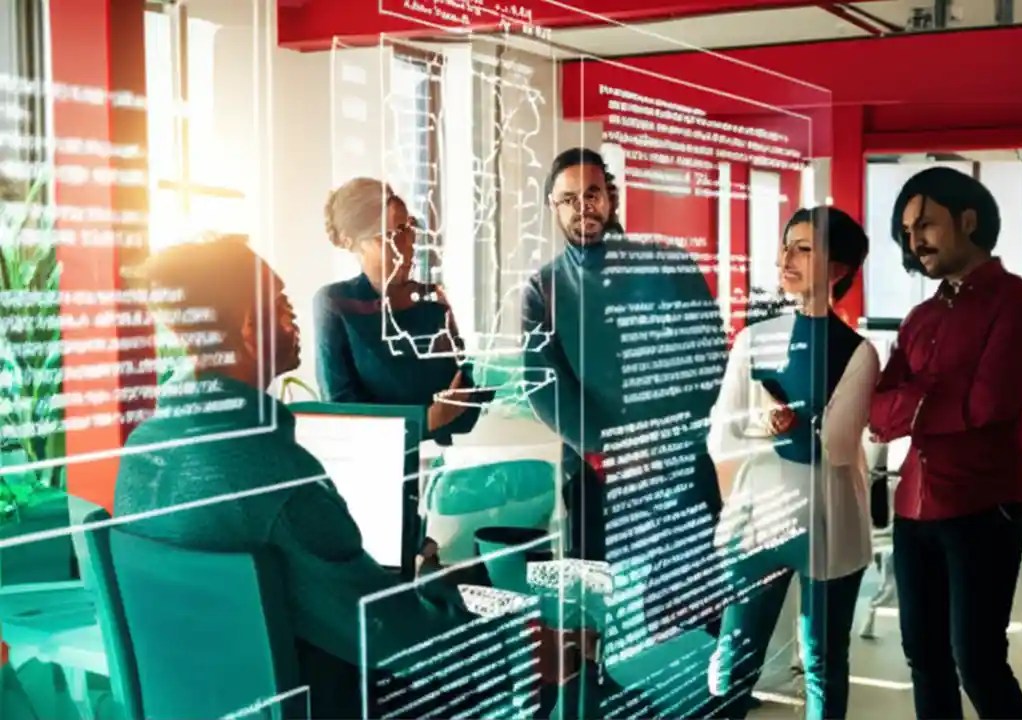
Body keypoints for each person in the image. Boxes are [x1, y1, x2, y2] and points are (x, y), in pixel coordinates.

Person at [113, 236, 483, 719]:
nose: (293, 322)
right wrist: (451, 595)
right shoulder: (275, 476)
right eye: (282, 305)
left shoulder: (142, 450)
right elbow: (394, 637)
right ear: (250, 327)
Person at [520, 148, 727, 655]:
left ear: (610, 197)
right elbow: (545, 385)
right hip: (595, 473)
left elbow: (708, 358)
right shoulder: (542, 288)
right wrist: (612, 451)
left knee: (690, 603)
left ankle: (697, 700)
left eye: (591, 194)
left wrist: (667, 444)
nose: (580, 208)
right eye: (567, 199)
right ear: (553, 207)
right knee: (593, 609)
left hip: (678, 468)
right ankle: (600, 696)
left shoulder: (670, 264)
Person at [869, 167, 1022, 719]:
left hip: (985, 505)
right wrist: (926, 398)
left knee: (977, 660)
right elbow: (877, 413)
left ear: (967, 220)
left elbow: (988, 405)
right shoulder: (919, 317)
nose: (914, 238)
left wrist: (913, 400)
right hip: (914, 507)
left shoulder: (1021, 302)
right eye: (905, 229)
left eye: (925, 223)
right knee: (923, 657)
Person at [707, 206, 877, 720]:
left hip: (831, 522)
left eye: (805, 248)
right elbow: (723, 431)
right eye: (787, 245)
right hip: (760, 518)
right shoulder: (752, 340)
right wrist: (773, 429)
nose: (788, 257)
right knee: (735, 653)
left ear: (840, 268)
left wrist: (785, 428)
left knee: (823, 658)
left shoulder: (858, 353)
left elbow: (836, 450)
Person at [315, 177, 482, 442]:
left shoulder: (431, 298)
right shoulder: (336, 303)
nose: (407, 244)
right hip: (377, 471)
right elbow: (342, 415)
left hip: (442, 463)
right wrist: (428, 420)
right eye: (391, 235)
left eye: (409, 228)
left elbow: (463, 399)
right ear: (352, 242)